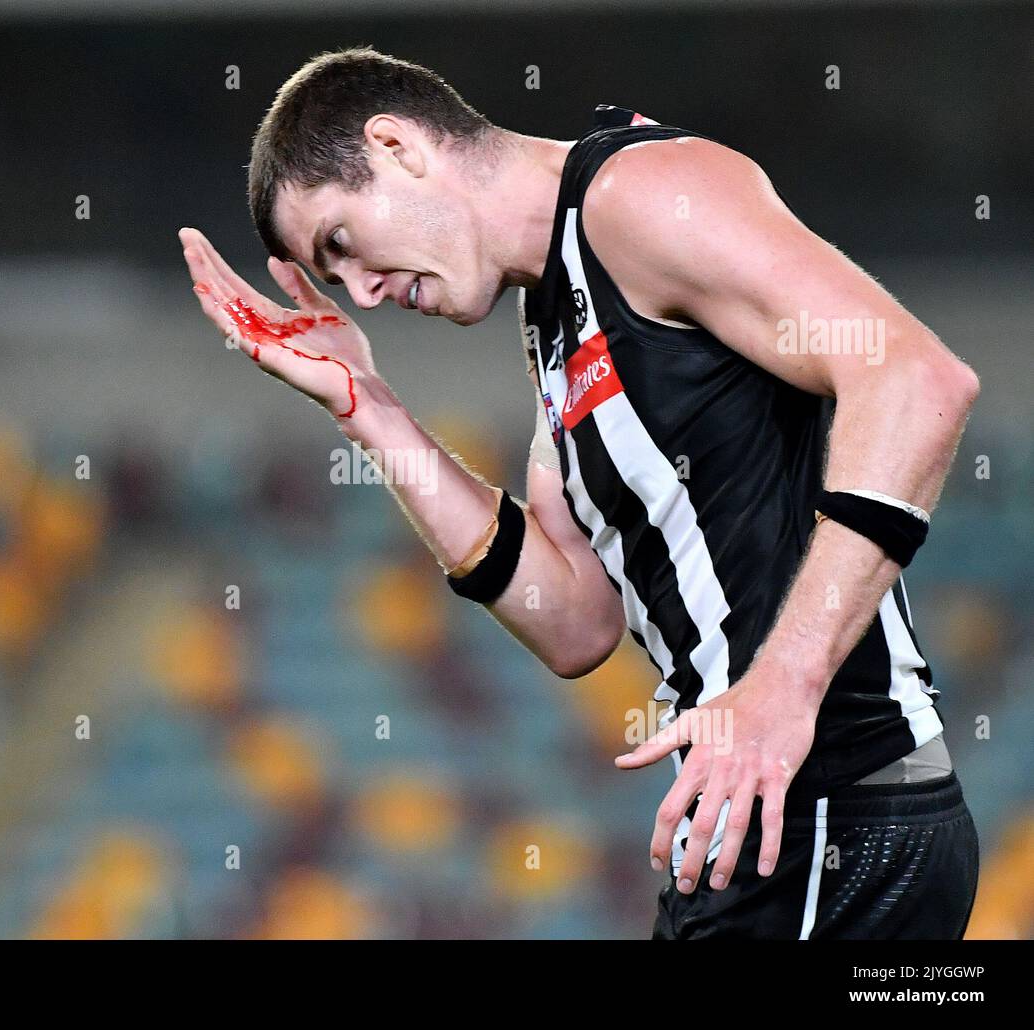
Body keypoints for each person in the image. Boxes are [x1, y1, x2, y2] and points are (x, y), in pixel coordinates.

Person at [179, 47, 980, 939]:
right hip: (764, 825)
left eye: (341, 242)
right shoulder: (554, 308)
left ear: (398, 145)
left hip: (827, 816)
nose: (362, 290)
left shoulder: (635, 197)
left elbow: (915, 380)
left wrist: (781, 686)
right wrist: (368, 408)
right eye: (335, 280)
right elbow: (575, 621)